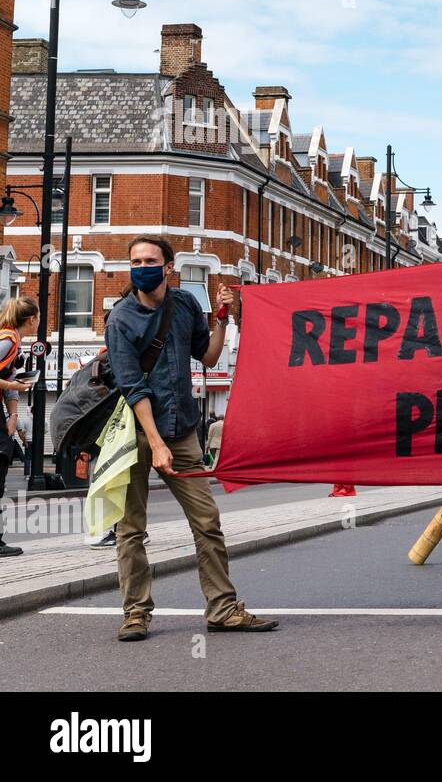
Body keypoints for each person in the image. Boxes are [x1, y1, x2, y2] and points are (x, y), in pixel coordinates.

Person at [105, 235, 277, 642]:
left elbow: (210, 356)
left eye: (149, 260)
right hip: (135, 432)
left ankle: (222, 608)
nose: (141, 266)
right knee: (131, 529)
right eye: (135, 261)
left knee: (207, 520)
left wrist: (223, 319)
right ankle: (135, 613)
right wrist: (156, 443)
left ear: (168, 267)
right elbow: (134, 389)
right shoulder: (121, 320)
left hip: (181, 430)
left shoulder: (182, 305)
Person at [0, 296, 38, 557]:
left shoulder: (16, 343)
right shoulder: (7, 340)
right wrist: (12, 386)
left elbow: (9, 379)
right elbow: (9, 382)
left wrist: (13, 416)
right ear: (31, 319)